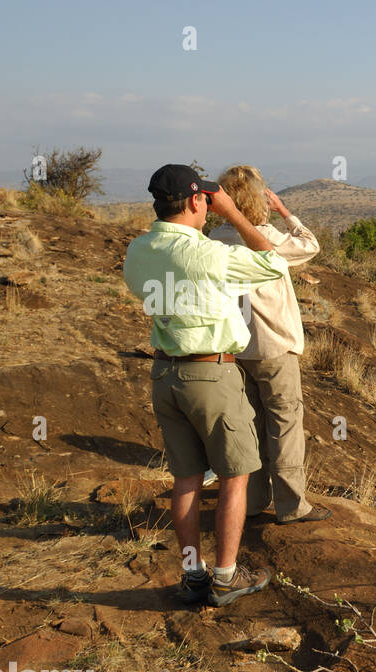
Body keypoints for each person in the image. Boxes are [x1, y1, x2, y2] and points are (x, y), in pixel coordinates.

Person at [122, 164, 284, 607]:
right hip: (211, 373)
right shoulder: (208, 254)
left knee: (187, 479)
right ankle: (226, 576)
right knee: (235, 475)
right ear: (198, 201)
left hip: (165, 374)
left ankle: (193, 574)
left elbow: (145, 287)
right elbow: (271, 263)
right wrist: (233, 213)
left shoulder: (138, 252)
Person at [208, 165, 330, 525]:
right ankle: (292, 505)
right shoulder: (268, 237)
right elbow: (311, 244)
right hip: (273, 345)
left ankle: (254, 500)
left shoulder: (216, 239)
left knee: (250, 425)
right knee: (285, 423)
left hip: (234, 348)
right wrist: (284, 211)